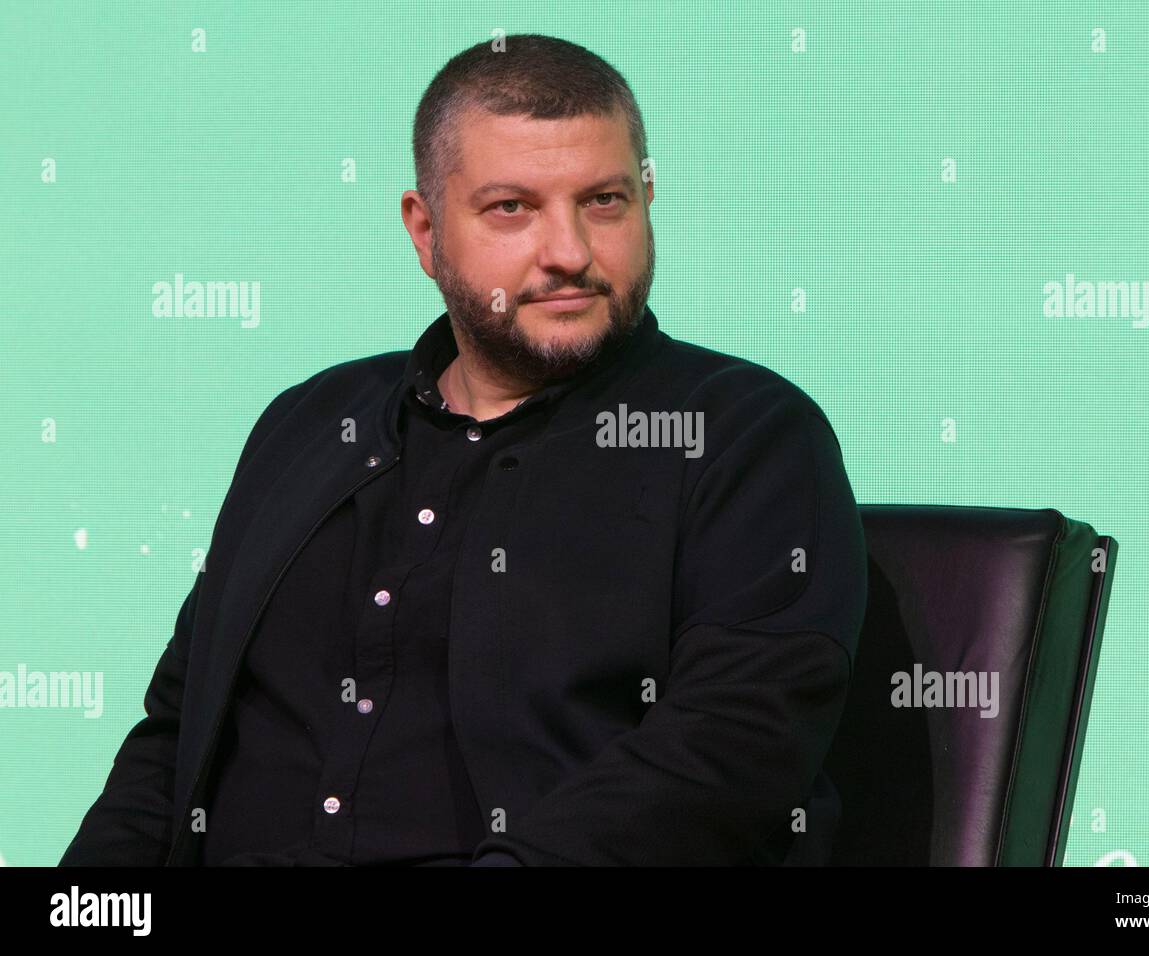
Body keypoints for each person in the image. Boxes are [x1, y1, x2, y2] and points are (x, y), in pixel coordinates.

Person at [60, 33, 868, 867]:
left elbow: (735, 746)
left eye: (604, 201)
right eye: (512, 208)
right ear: (424, 229)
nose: (570, 253)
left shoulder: (746, 435)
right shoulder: (308, 424)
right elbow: (177, 727)